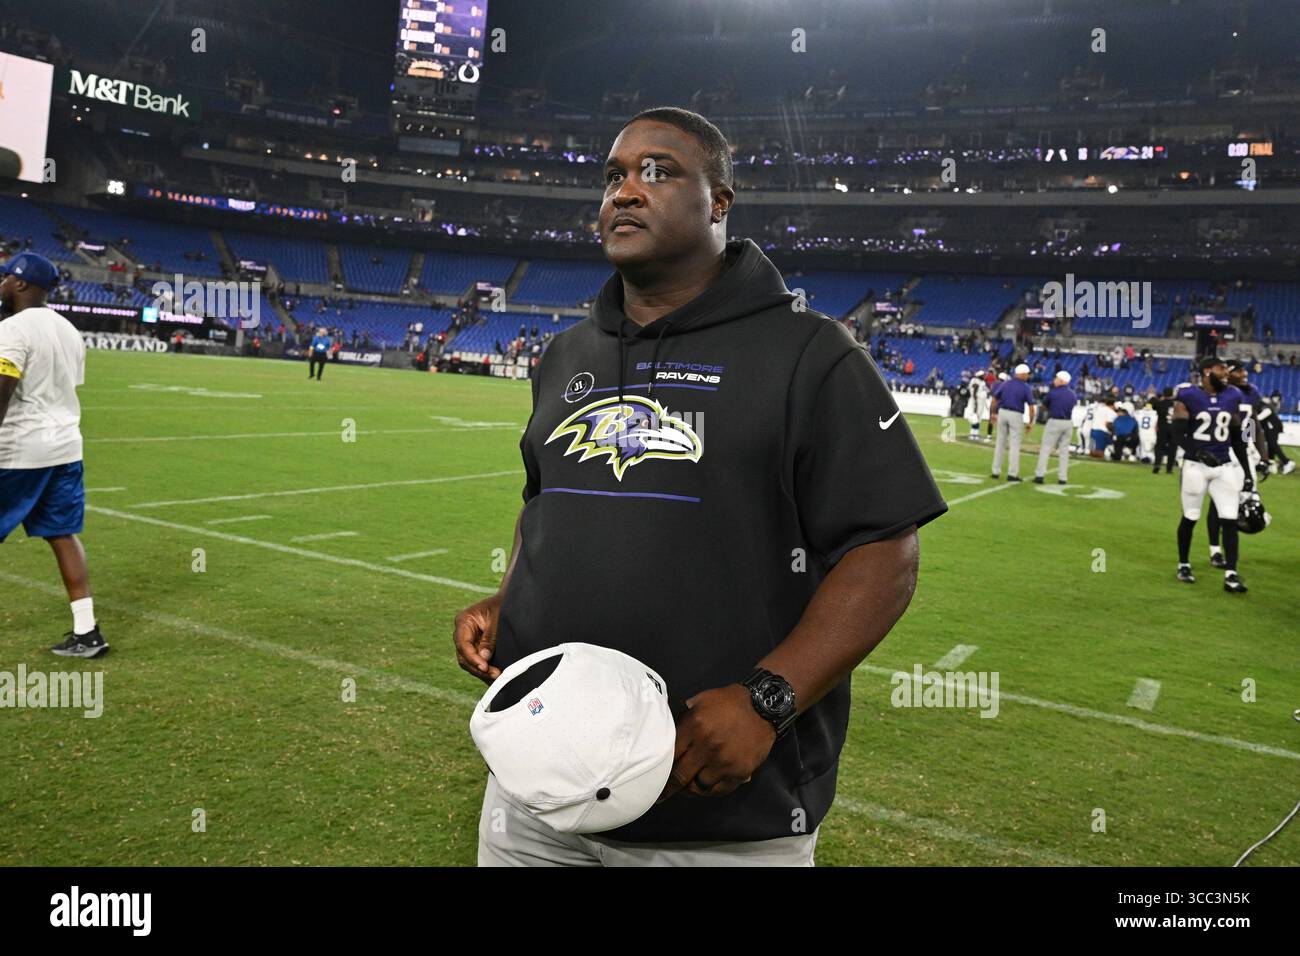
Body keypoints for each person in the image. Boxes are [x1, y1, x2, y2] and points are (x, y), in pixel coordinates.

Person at [451, 107, 947, 867]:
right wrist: (507, 597)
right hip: (537, 793)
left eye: (657, 172)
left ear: (720, 201)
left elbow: (885, 550)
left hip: (721, 819)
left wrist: (766, 698)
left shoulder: (809, 354)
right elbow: (542, 502)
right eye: (614, 176)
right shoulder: (565, 354)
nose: (625, 191)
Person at [0, 253, 108, 657]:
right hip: (65, 448)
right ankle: (87, 632)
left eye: (5, 278)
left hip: (19, 451)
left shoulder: (12, 329)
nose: (2, 285)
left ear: (22, 284)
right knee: (62, 534)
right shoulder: (68, 329)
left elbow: (3, 388)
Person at [1172, 356, 1252, 593]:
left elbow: (1237, 437)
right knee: (1191, 516)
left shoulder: (1233, 396)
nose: (1226, 372)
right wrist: (1197, 452)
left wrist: (1247, 472)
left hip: (1224, 466)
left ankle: (1231, 574)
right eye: (1221, 369)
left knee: (1229, 519)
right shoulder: (1188, 395)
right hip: (1196, 466)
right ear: (1207, 371)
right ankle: (1184, 564)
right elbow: (1178, 434)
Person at [990, 363, 1035, 481]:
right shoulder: (1025, 387)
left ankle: (995, 471)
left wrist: (993, 414)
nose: (1028, 376)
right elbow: (1031, 407)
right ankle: (1012, 473)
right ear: (1023, 374)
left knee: (1000, 443)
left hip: (1002, 412)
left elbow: (994, 399)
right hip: (1016, 414)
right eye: (1027, 374)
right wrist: (1030, 422)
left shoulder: (1006, 384)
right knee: (1014, 445)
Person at [1033, 370, 1076, 484]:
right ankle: (1063, 478)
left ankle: (1040, 475)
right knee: (1064, 451)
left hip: (1054, 421)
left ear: (1062, 380)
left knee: (1046, 448)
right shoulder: (1072, 394)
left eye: (1056, 378)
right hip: (1068, 423)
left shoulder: (1053, 392)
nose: (1054, 380)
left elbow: (1044, 406)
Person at [1151, 386, 1177, 474]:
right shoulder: (1176, 404)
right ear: (1172, 394)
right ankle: (1169, 469)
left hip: (1162, 427)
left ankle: (1157, 464)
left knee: (1159, 447)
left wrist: (1156, 396)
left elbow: (1151, 403)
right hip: (1174, 428)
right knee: (1172, 448)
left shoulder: (1160, 403)